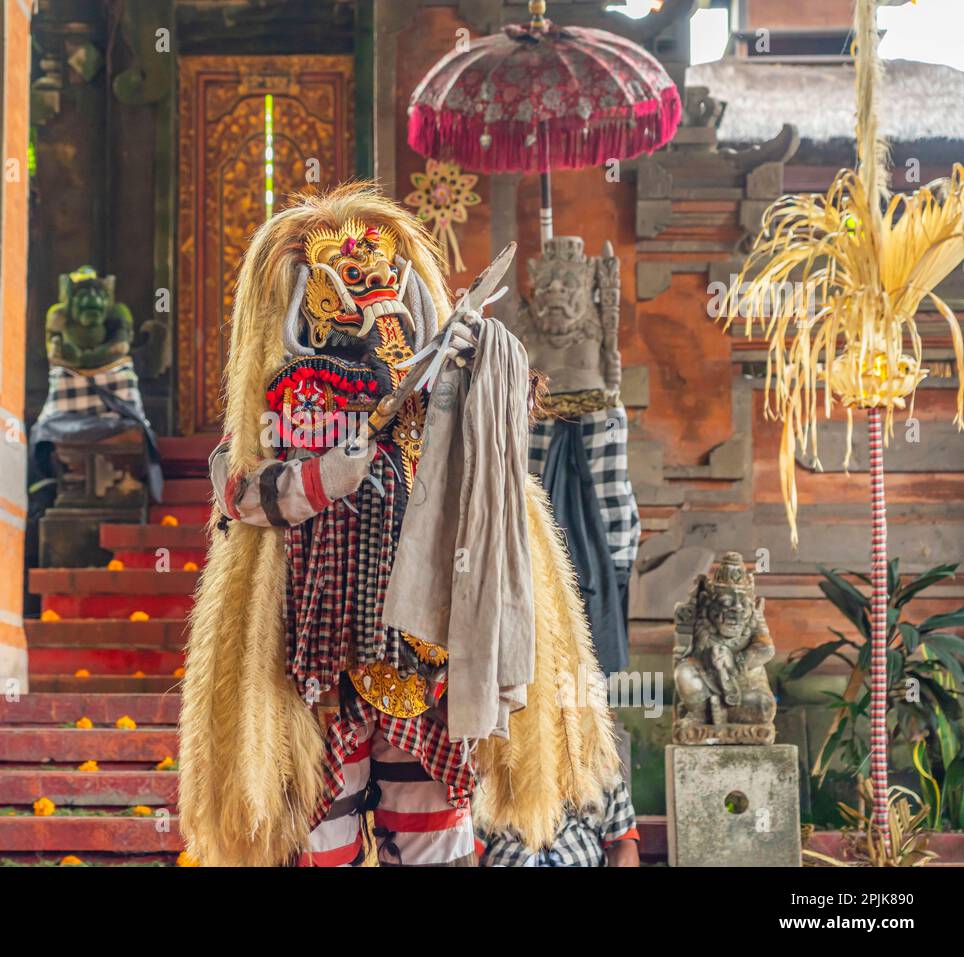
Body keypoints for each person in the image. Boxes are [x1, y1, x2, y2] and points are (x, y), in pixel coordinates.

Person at [177, 183, 619, 867]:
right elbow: (239, 495)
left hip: (425, 648)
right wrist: (321, 478)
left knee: (435, 832)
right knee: (325, 832)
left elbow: (492, 467)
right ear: (315, 293)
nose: (376, 291)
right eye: (356, 277)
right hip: (318, 657)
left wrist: (489, 367)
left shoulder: (442, 384)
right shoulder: (293, 390)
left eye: (386, 276)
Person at [481, 779, 640, 867]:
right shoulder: (488, 773)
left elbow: (622, 843)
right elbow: (468, 848)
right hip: (511, 858)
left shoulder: (602, 771)